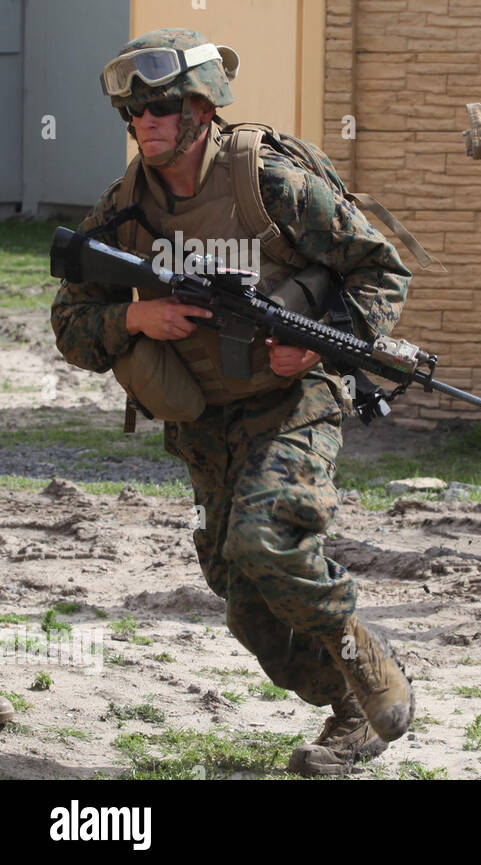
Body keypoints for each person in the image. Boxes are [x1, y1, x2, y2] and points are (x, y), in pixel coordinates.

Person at [50, 28, 414, 776]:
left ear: (201, 107)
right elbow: (68, 322)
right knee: (246, 606)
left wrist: (319, 343)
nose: (143, 124)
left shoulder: (269, 181)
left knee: (266, 540)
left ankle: (368, 658)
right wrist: (132, 318)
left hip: (294, 401)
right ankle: (349, 711)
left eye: (158, 108)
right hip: (207, 424)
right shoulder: (122, 208)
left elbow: (381, 269)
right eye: (132, 113)